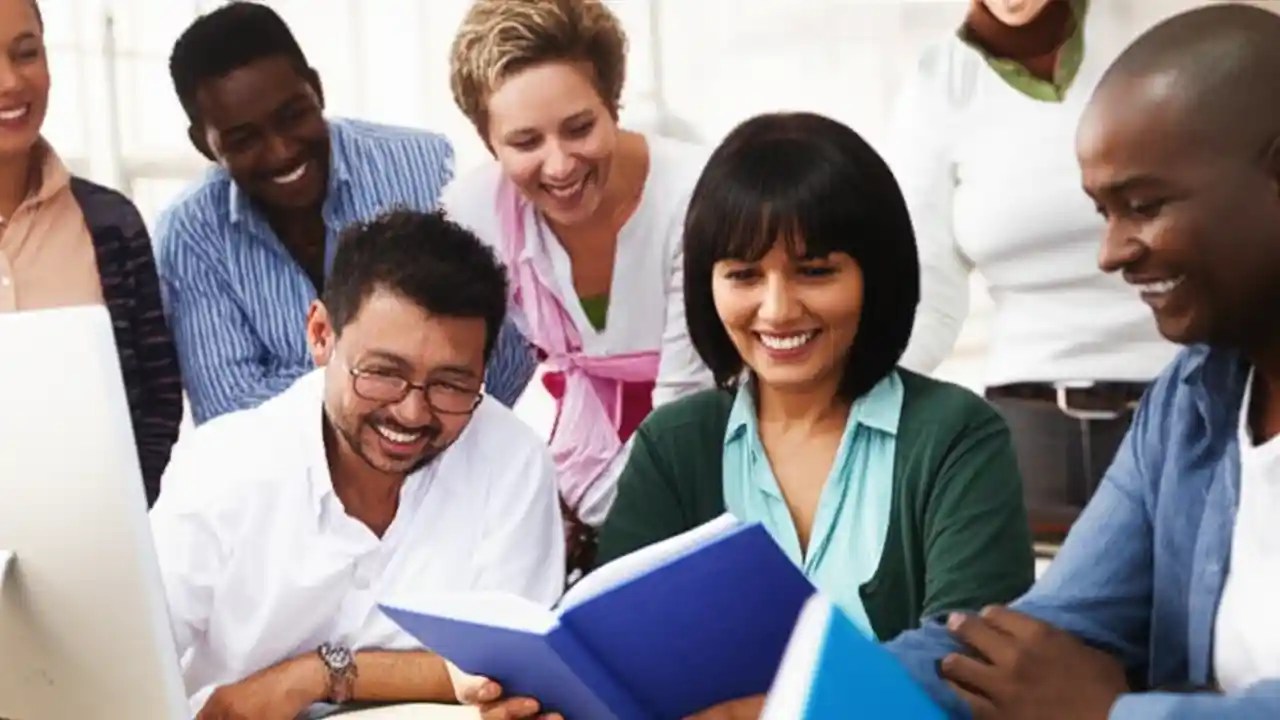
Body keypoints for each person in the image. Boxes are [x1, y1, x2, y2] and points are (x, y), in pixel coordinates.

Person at [453, 112, 1035, 720]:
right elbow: (619, 657)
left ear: (876, 275)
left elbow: (973, 669)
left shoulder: (957, 435)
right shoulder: (674, 445)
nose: (777, 310)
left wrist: (762, 711)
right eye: (744, 275)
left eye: (815, 271)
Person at [883, 6, 1280, 719]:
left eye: (1143, 205)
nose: (1112, 253)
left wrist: (1110, 714)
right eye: (1104, 213)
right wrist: (799, 695)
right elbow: (1039, 637)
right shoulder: (1192, 401)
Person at [150, 209, 565, 718]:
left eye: (451, 384)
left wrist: (314, 675)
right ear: (321, 334)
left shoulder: (512, 460)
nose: (412, 413)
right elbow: (130, 662)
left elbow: (510, 674)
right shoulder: (224, 467)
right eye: (383, 373)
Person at [155, 1, 536, 425]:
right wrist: (409, 376)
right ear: (204, 144)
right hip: (293, 482)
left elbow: (498, 350)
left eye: (293, 115)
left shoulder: (424, 167)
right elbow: (232, 413)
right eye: (244, 140)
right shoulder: (189, 234)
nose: (281, 151)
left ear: (316, 89)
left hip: (455, 452)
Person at [888, 0, 1177, 540]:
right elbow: (927, 294)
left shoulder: (1161, 32)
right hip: (1027, 434)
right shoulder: (936, 84)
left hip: (1180, 408)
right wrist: (857, 413)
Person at [442, 0, 713, 570]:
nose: (560, 165)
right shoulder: (473, 213)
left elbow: (681, 402)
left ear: (613, 104)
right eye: (524, 143)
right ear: (488, 141)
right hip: (573, 453)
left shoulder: (698, 197)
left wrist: (600, 528)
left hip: (705, 448)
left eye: (580, 128)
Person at [0, 0, 180, 504]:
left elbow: (158, 400)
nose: (11, 81)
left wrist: (120, 517)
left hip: (96, 536)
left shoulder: (111, 225)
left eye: (26, 53)